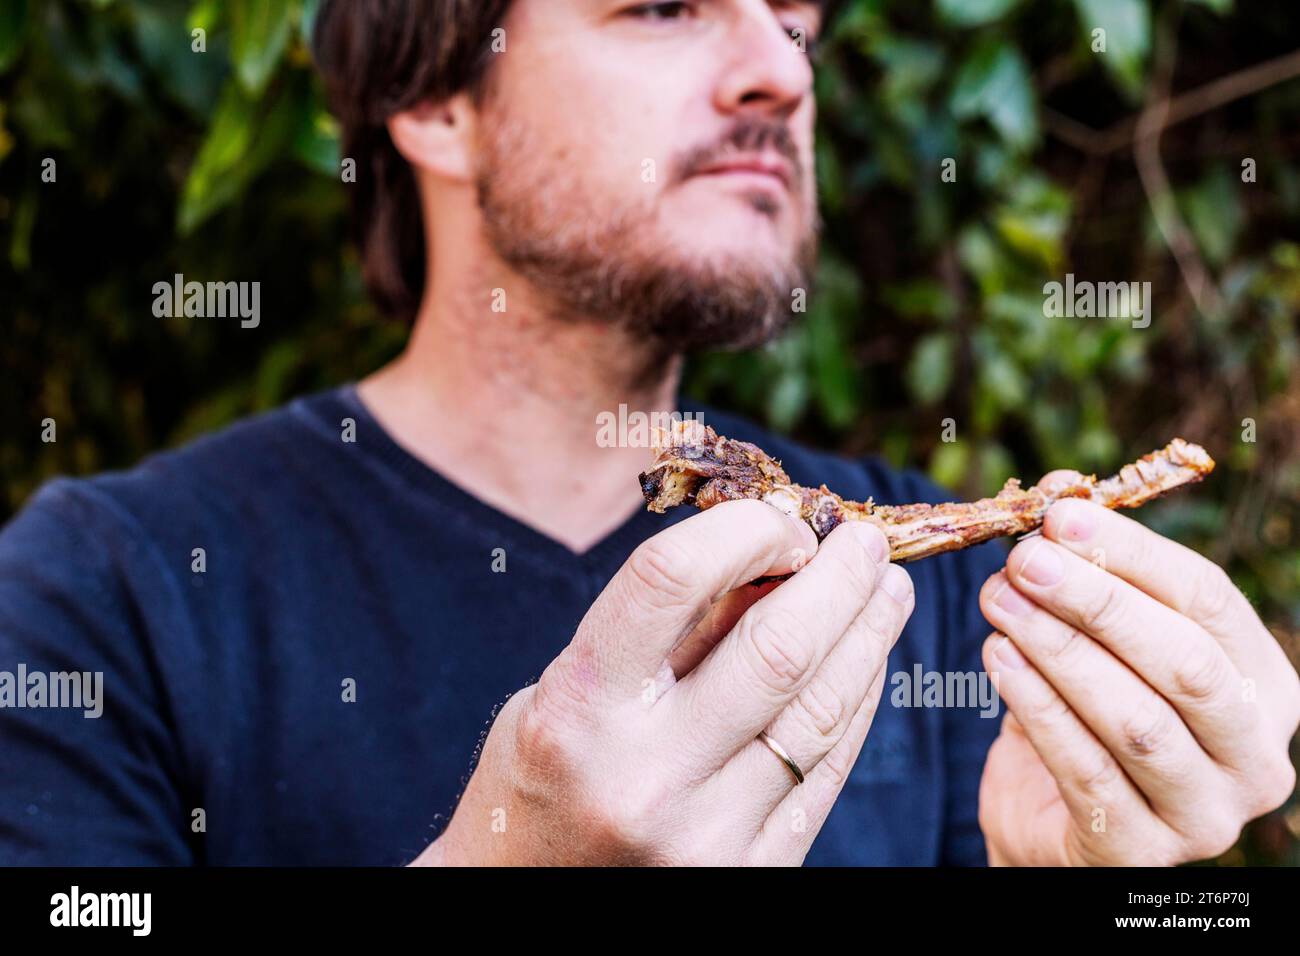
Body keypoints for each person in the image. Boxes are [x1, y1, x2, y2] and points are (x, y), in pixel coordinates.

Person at [0, 0, 1294, 867]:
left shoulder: (951, 596)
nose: (780, 70)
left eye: (796, 20)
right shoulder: (104, 600)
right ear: (438, 98)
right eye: (664, 4)